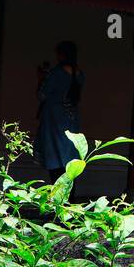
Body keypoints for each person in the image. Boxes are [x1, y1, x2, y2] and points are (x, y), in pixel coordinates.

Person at [36, 41, 85, 181]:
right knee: (70, 159)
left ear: (61, 55)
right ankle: (70, 198)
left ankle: (58, 196)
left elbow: (42, 95)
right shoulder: (79, 74)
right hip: (72, 119)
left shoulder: (56, 73)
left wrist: (40, 79)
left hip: (54, 120)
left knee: (55, 158)